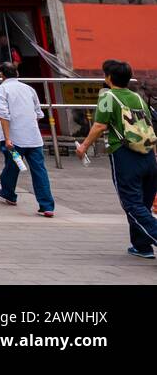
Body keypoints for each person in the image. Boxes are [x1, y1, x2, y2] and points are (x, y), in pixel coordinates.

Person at [76, 59, 157, 259]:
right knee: (143, 204)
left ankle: (151, 238)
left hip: (125, 154)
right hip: (148, 155)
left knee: (131, 203)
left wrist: (84, 146)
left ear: (109, 78)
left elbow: (99, 126)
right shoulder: (137, 97)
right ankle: (141, 246)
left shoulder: (107, 96)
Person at [0, 62, 54, 216]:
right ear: (16, 73)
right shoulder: (29, 89)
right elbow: (39, 113)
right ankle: (47, 206)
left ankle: (9, 193)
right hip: (33, 137)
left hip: (15, 137)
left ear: (2, 75)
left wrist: (7, 138)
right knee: (39, 171)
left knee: (11, 167)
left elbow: (4, 115)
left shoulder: (1, 89)